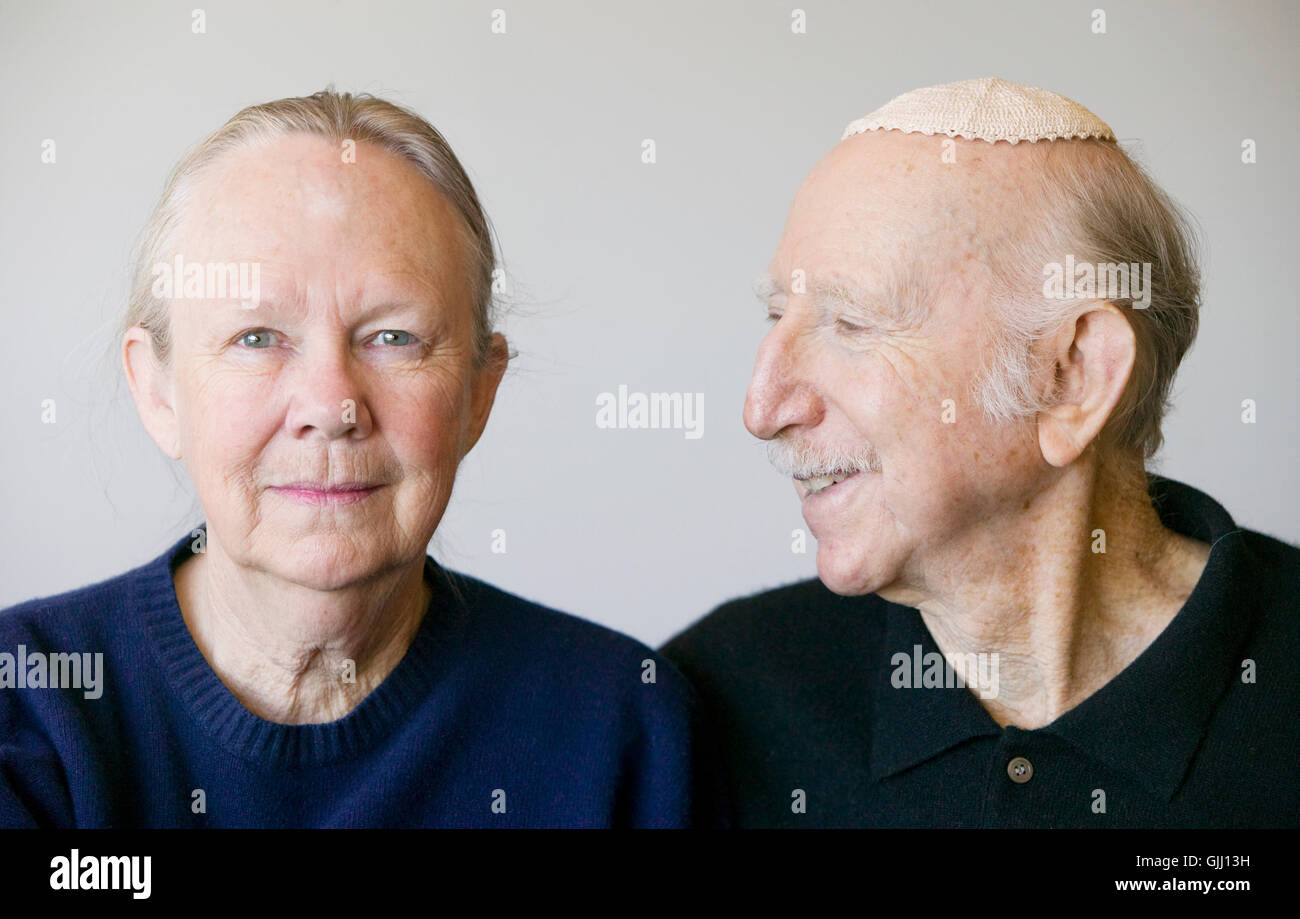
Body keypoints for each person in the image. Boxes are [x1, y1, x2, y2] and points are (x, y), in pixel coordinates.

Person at [0, 89, 722, 828]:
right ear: (156, 391)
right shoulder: (27, 703)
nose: (332, 406)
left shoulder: (623, 727)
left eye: (393, 337)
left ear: (479, 390)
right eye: (257, 337)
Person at [662, 77, 1300, 828]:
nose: (762, 409)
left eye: (851, 324)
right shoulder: (717, 698)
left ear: (1074, 375)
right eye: (778, 316)